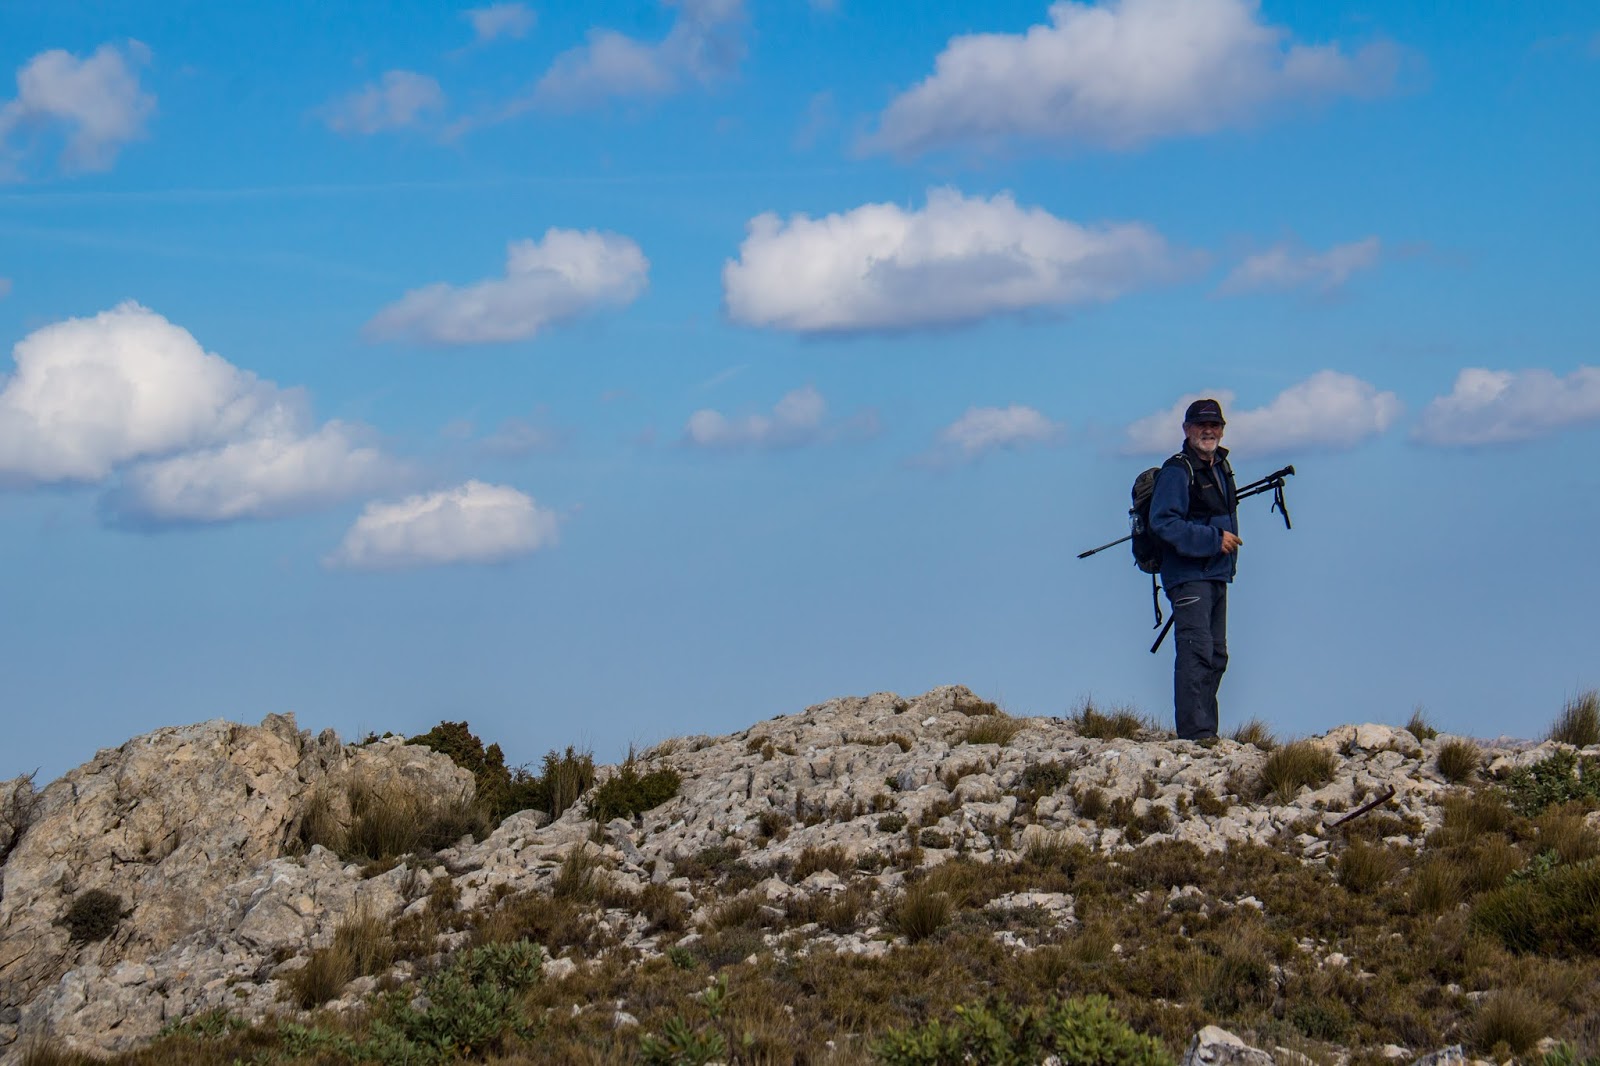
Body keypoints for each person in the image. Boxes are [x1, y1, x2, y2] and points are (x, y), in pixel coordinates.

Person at [1148, 398, 1241, 741]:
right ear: (1186, 430)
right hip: (1188, 576)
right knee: (1196, 651)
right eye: (1201, 425)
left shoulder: (1220, 467)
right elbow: (1163, 522)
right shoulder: (1177, 470)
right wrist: (1214, 539)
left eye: (1215, 425)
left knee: (1216, 654)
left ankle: (1206, 730)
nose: (1209, 431)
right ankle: (1196, 733)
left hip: (1216, 574)